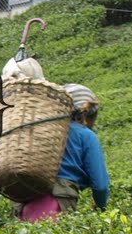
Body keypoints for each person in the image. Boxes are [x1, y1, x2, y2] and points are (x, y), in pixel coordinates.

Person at [17, 83, 110, 221]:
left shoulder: (41, 129)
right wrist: (100, 208)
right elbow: (100, 185)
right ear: (89, 115)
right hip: (57, 202)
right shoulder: (86, 135)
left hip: (23, 204)